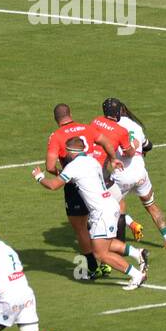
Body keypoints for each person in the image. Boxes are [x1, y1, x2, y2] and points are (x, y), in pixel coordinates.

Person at [32, 138, 149, 291]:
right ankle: (137, 253)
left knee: (100, 254)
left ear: (71, 152)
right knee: (104, 243)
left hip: (101, 211)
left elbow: (54, 185)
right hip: (108, 205)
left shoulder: (73, 167)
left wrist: (39, 177)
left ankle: (136, 275)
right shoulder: (92, 161)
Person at [44, 104, 120, 280]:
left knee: (80, 228)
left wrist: (63, 176)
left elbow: (49, 166)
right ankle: (110, 262)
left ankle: (92, 267)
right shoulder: (87, 128)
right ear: (70, 114)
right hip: (95, 178)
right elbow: (107, 142)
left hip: (75, 185)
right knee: (98, 220)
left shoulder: (57, 136)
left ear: (56, 119)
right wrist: (114, 160)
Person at [100, 98, 166, 251]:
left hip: (120, 175)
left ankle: (132, 224)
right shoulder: (136, 126)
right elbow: (148, 145)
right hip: (140, 173)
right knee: (151, 206)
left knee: (109, 207)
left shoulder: (107, 127)